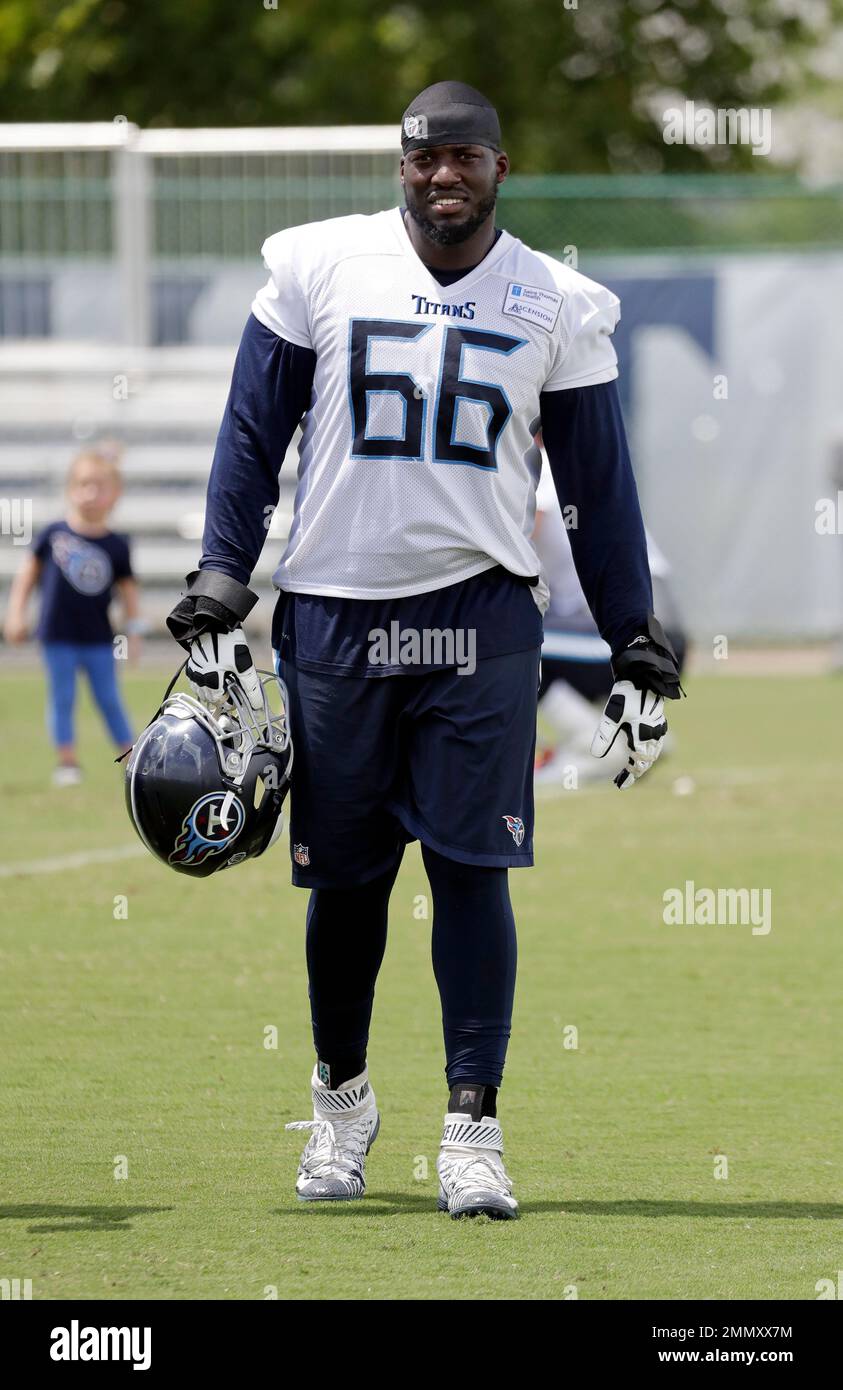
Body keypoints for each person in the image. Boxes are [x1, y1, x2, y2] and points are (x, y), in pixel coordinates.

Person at [165, 82, 682, 1219]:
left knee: (472, 869)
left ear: (501, 168)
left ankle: (472, 1126)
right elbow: (254, 430)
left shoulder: (555, 299)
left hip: (483, 620)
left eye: (465, 158)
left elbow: (599, 487)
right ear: (400, 167)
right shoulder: (320, 265)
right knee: (344, 884)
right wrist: (220, 572)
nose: (442, 176)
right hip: (335, 615)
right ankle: (341, 1101)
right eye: (423, 159)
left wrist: (638, 640)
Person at [531, 440, 687, 785]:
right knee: (537, 634)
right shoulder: (581, 466)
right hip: (660, 636)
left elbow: (524, 534)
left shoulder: (539, 466)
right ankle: (634, 730)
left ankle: (590, 746)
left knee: (514, 643)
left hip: (633, 635)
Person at [4, 447, 140, 786]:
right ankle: (67, 763)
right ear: (70, 489)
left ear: (115, 494)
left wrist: (134, 633)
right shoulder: (53, 534)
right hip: (57, 635)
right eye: (83, 485)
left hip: (98, 638)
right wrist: (15, 615)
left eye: (99, 486)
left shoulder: (118, 544)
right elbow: (26, 577)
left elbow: (129, 594)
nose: (90, 494)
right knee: (62, 697)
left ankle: (132, 758)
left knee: (109, 698)